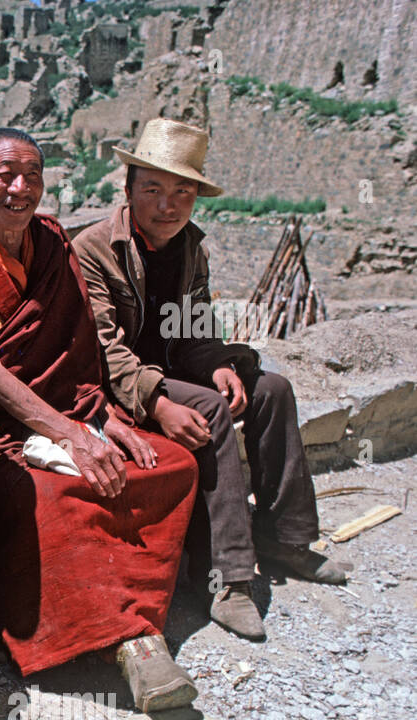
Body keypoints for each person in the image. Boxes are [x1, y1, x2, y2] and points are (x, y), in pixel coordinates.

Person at [0, 128, 200, 713]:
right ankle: (124, 638)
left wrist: (103, 416)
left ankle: (125, 605)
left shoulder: (51, 242)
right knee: (54, 498)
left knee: (168, 464)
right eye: (6, 174)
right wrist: (70, 434)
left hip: (59, 414)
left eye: (33, 175)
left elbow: (76, 351)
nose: (21, 188)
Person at [74, 118, 347, 642]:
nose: (167, 205)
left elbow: (194, 330)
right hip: (119, 386)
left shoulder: (190, 249)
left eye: (182, 191)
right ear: (128, 188)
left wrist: (219, 363)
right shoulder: (93, 250)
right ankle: (226, 577)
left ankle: (284, 538)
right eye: (152, 189)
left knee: (272, 390)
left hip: (174, 371)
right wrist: (157, 403)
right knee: (210, 407)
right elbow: (104, 349)